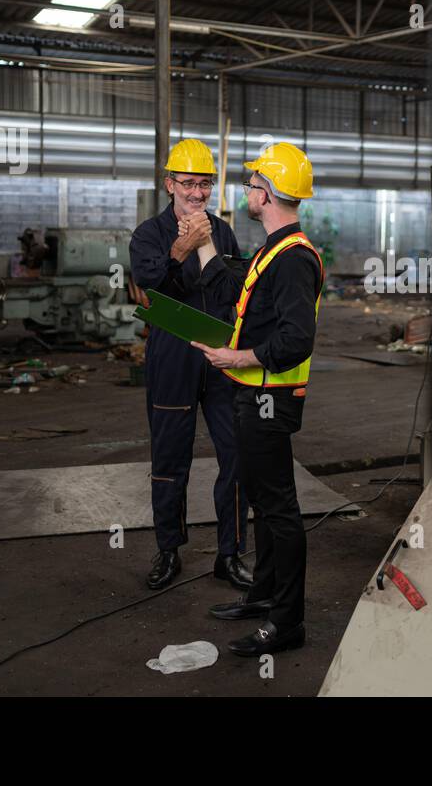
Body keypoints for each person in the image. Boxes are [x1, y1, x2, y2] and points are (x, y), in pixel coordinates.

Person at [188, 142, 322, 657]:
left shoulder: (292, 259)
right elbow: (235, 286)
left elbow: (295, 340)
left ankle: (288, 623)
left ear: (264, 193)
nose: (245, 191)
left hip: (270, 398)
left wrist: (235, 358)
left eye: (249, 185)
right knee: (266, 506)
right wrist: (202, 243)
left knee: (280, 511)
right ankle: (264, 594)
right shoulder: (272, 250)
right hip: (254, 395)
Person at [128, 138, 253, 592]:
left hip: (221, 358)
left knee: (236, 455)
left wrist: (207, 246)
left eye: (204, 184)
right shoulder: (147, 235)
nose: (197, 192)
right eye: (188, 183)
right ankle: (168, 550)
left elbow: (232, 294)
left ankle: (231, 553)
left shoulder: (224, 231)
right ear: (169, 184)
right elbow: (151, 289)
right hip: (172, 356)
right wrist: (183, 248)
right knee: (169, 458)